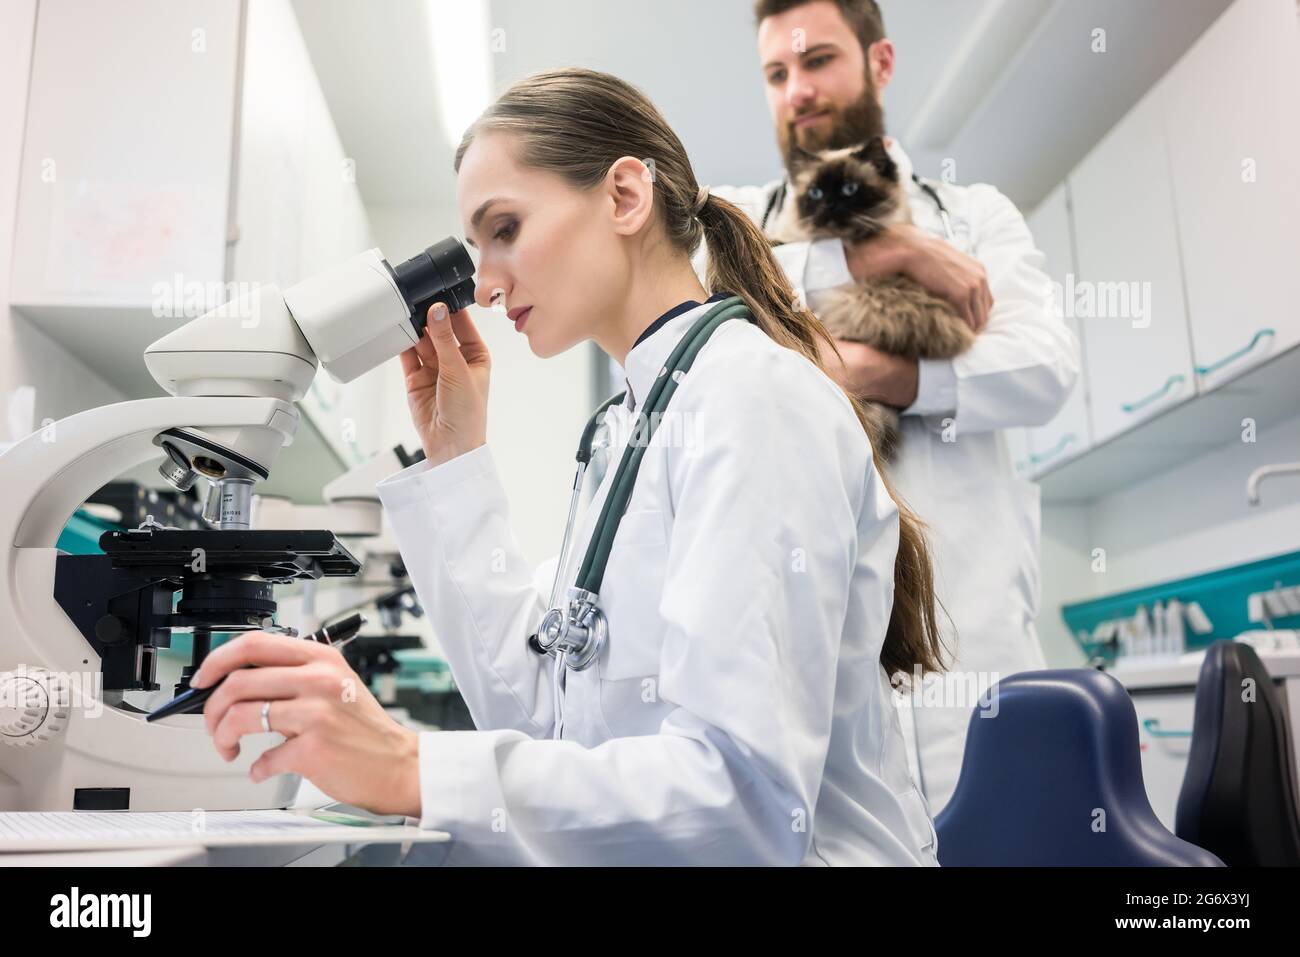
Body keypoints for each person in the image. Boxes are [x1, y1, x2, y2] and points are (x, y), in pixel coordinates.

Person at [190, 67, 947, 866]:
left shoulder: (752, 398)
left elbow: (741, 802)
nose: (483, 282)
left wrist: (409, 763)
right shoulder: (627, 428)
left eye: (505, 228)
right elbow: (540, 719)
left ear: (625, 196)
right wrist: (455, 460)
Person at [710, 0, 1079, 813]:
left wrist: (876, 372)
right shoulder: (740, 222)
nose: (797, 90)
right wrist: (881, 247)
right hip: (818, 682)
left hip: (974, 648)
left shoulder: (975, 216)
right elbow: (711, 317)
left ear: (880, 62)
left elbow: (1045, 367)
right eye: (777, 73)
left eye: (818, 61)